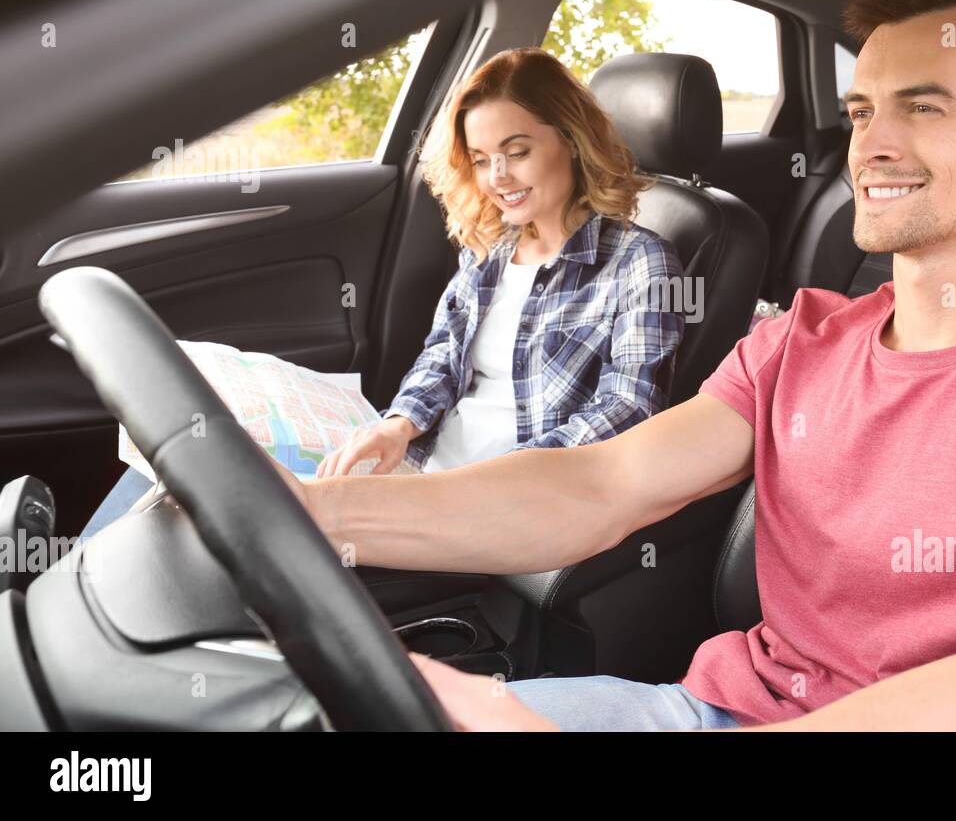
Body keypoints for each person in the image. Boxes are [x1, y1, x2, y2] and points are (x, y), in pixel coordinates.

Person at [282, 0, 956, 732]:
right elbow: (597, 485)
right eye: (864, 108)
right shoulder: (804, 338)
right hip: (712, 710)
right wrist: (309, 513)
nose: (869, 144)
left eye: (922, 106)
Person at [82, 47, 686, 539]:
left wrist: (490, 485)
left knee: (236, 507)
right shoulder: (493, 251)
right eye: (480, 160)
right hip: (425, 471)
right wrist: (397, 426)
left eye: (517, 152)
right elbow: (444, 356)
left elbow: (627, 414)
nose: (498, 177)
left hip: (500, 507)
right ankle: (63, 608)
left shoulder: (642, 264)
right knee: (190, 453)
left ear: (572, 142)